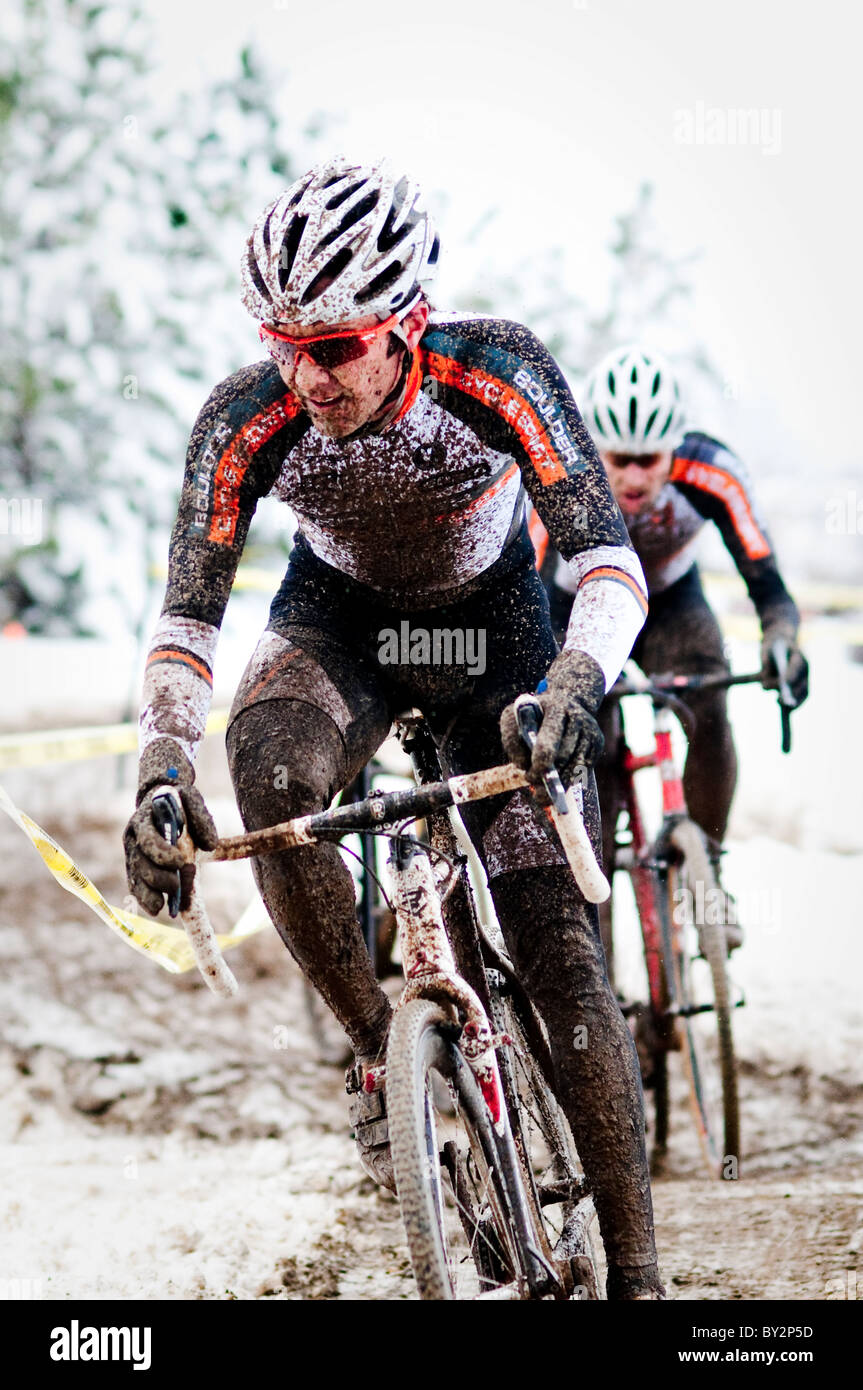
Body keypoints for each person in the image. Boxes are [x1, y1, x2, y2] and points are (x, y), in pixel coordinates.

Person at [123, 158, 664, 1299]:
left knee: (559, 952)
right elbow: (188, 615)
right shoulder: (247, 412)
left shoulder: (497, 368)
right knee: (265, 768)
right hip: (343, 621)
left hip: (495, 629)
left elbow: (605, 559)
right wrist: (161, 762)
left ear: (406, 322)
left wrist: (573, 679)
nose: (302, 374)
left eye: (332, 346)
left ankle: (642, 1277)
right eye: (279, 341)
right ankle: (386, 1060)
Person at [540, 343, 808, 969]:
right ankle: (589, 930)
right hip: (578, 605)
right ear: (592, 448)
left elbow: (768, 583)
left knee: (709, 703)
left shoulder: (713, 470)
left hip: (669, 598)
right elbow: (519, 582)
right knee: (586, 754)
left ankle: (707, 872)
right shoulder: (558, 471)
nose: (634, 480)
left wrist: (781, 638)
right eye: (619, 461)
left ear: (676, 449)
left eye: (649, 461)